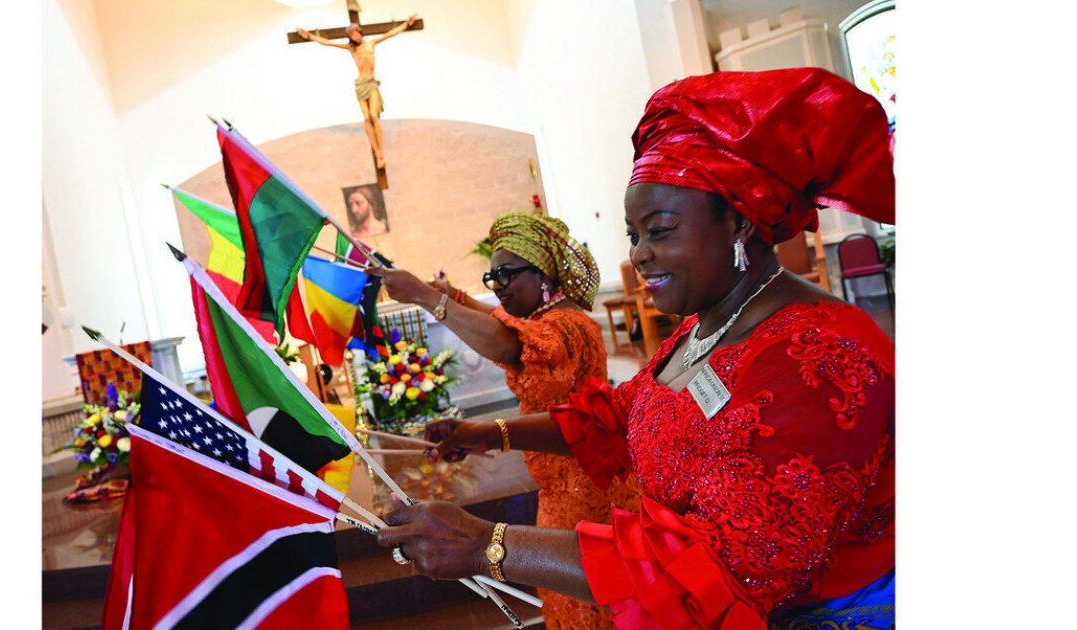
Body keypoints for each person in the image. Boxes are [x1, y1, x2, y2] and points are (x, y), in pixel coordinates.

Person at [372, 68, 897, 629]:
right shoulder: (706, 326)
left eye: (661, 229)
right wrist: (489, 433)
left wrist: (488, 544)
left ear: (740, 223)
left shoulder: (819, 357)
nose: (641, 254)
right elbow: (618, 417)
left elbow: (715, 566)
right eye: (633, 234)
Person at [369, 211, 640, 630]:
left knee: (596, 602)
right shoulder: (544, 319)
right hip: (559, 483)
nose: (499, 289)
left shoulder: (569, 326)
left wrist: (427, 297)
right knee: (569, 601)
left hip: (589, 488)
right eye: (492, 278)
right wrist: (451, 297)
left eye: (507, 276)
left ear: (543, 272)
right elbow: (506, 324)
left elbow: (511, 344)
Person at [297, 14, 418, 169]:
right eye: (352, 35)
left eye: (356, 33)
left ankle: (382, 153)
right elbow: (328, 43)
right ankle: (377, 153)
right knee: (367, 118)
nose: (355, 36)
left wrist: (407, 24)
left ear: (360, 33)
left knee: (374, 115)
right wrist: (309, 36)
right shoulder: (351, 49)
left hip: (371, 84)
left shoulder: (371, 44)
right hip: (360, 85)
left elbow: (390, 34)